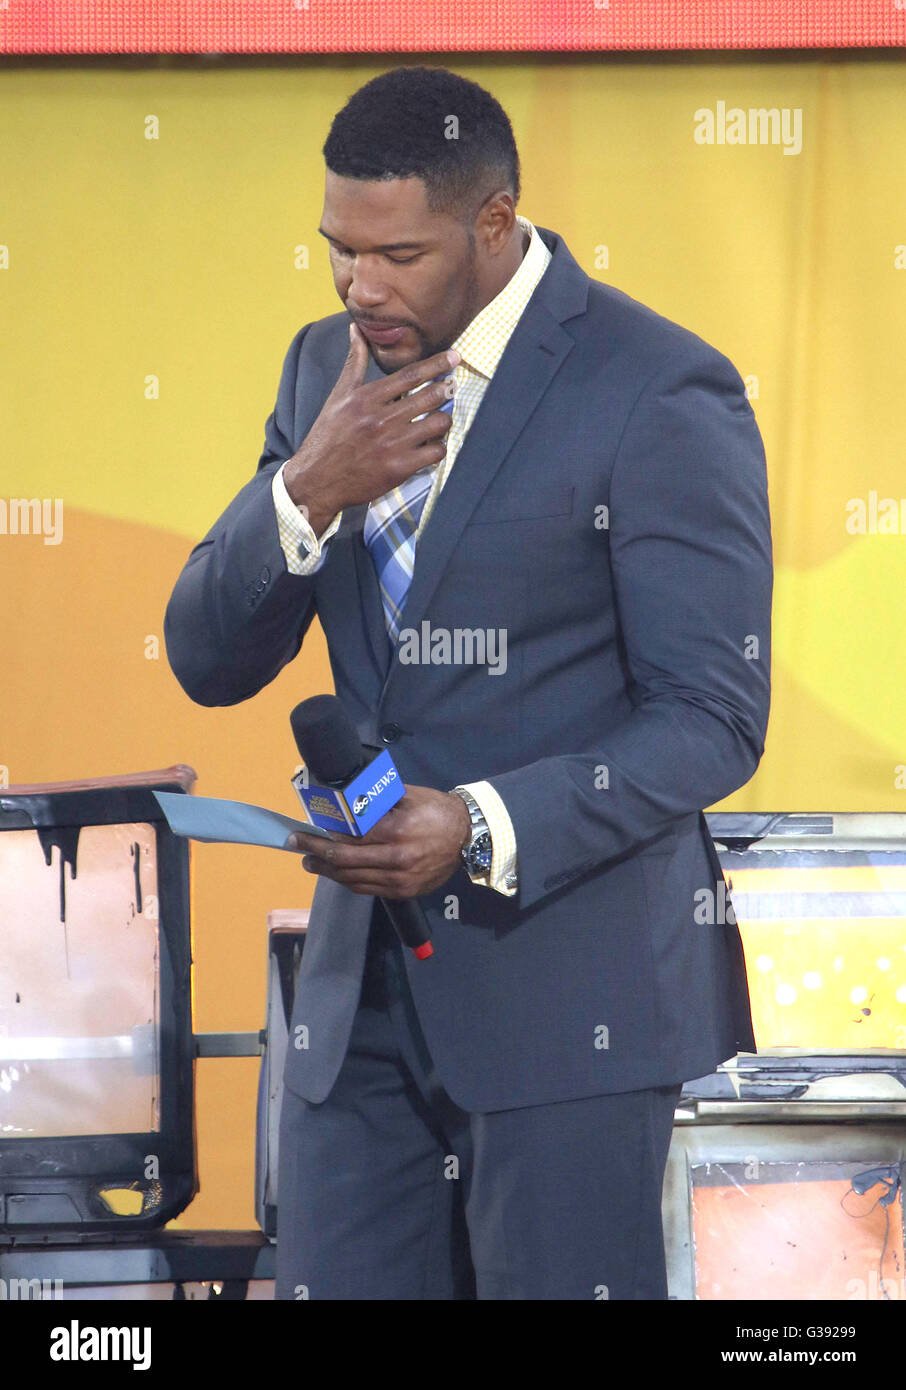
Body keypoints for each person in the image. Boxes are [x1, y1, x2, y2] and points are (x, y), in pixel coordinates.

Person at [164, 65, 773, 1300]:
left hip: (573, 1011)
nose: (360, 287)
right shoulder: (320, 373)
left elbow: (714, 715)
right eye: (338, 249)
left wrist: (482, 825)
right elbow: (206, 656)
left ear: (496, 222)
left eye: (397, 254)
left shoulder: (658, 385)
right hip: (359, 1017)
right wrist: (308, 488)